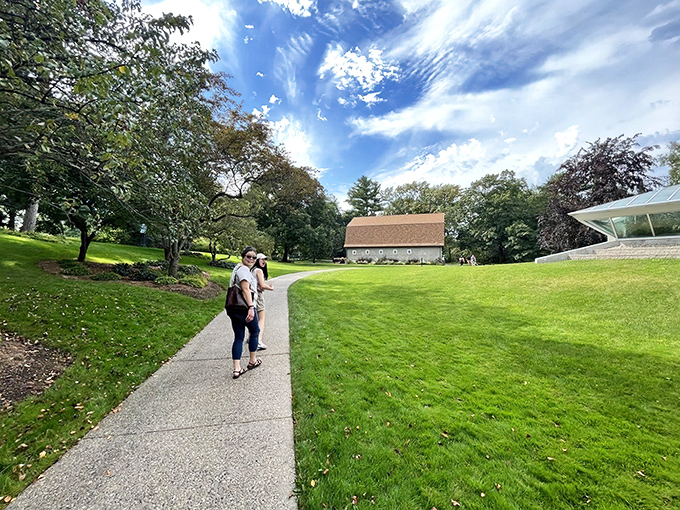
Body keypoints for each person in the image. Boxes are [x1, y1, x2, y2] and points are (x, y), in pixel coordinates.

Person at [226, 246, 262, 379]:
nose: (251, 259)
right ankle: (252, 361)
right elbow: (245, 289)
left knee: (239, 337)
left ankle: (237, 369)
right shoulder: (244, 270)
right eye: (248, 256)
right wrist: (251, 307)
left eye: (254, 257)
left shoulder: (236, 268)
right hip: (244, 308)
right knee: (255, 332)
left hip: (234, 309)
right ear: (243, 256)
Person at [251, 253, 274, 351]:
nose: (263, 261)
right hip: (258, 296)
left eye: (264, 259)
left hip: (252, 295)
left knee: (254, 318)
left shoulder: (252, 270)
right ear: (257, 260)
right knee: (261, 318)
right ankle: (259, 341)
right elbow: (262, 285)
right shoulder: (258, 270)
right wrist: (271, 288)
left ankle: (251, 337)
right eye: (261, 259)